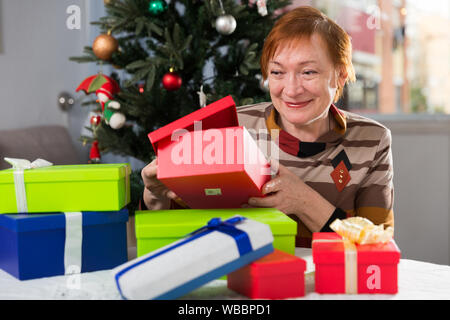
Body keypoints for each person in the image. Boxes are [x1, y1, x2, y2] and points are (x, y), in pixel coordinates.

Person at [140, 6, 394, 248]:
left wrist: (304, 201)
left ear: (339, 74)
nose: (291, 90)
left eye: (308, 72)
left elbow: (375, 245)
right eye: (277, 72)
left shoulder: (372, 140)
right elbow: (177, 232)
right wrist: (154, 194)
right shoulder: (232, 128)